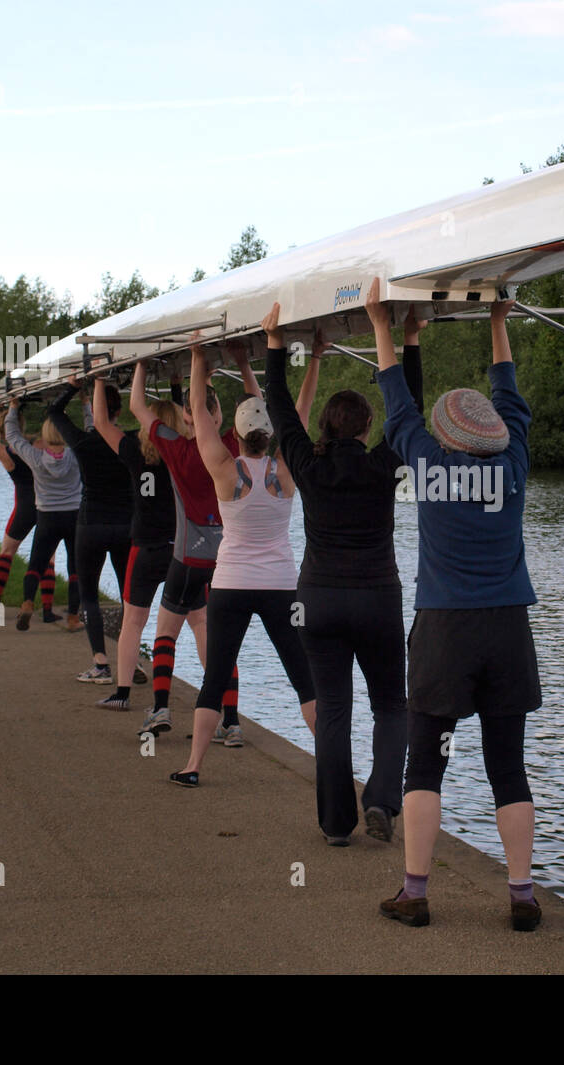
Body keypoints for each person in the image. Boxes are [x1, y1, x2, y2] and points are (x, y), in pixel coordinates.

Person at [367, 279, 543, 932]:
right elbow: (510, 395)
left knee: (424, 763)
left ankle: (415, 892)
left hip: (442, 629)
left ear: (446, 435)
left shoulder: (427, 462)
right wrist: (500, 318)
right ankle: (522, 895)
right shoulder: (516, 462)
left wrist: (384, 324)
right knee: (508, 767)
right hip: (507, 628)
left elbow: (396, 402)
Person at [263, 305, 425, 846]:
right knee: (391, 706)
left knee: (333, 710)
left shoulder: (308, 465)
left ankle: (336, 825)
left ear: (326, 427)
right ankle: (381, 798)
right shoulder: (385, 463)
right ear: (369, 427)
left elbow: (281, 410)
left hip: (318, 601)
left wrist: (274, 345)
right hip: (378, 597)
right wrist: (410, 342)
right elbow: (411, 410)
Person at [167, 333, 316, 788]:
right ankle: (333, 761)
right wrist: (315, 364)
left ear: (238, 431)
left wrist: (198, 361)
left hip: (230, 584)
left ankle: (193, 767)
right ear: (274, 434)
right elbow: (298, 414)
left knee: (215, 676)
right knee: (303, 679)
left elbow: (198, 415)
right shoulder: (287, 469)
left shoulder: (225, 468)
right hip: (280, 585)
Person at [129, 347, 244, 743]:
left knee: (165, 634)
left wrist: (142, 365)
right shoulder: (232, 444)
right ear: (220, 416)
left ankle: (160, 708)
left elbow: (136, 406)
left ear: (186, 416)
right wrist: (241, 364)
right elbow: (257, 405)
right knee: (220, 643)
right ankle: (232, 722)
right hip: (223, 561)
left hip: (185, 557)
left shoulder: (175, 447)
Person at [91, 370, 185, 710]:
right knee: (200, 622)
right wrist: (179, 385)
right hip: (182, 551)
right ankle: (223, 704)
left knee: (133, 621)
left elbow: (101, 422)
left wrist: (100, 381)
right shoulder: (186, 454)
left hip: (144, 547)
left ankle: (123, 693)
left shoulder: (134, 451)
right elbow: (187, 417)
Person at [47, 379, 135, 685]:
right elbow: (166, 422)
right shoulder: (130, 442)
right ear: (119, 410)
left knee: (89, 596)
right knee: (130, 599)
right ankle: (129, 657)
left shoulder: (82, 443)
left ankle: (101, 664)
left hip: (91, 525)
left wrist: (73, 386)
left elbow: (54, 411)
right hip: (126, 526)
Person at [5, 399, 83, 632]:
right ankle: (72, 617)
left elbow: (12, 437)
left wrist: (13, 408)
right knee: (75, 567)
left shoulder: (35, 457)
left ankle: (28, 602)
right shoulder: (77, 452)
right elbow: (92, 430)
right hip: (74, 516)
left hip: (47, 517)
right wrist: (87, 405)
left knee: (36, 563)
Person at [0, 405, 55, 608]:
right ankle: (48, 609)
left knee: (7, 552)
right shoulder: (35, 447)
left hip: (24, 508)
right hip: (45, 506)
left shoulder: (6, 454)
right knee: (48, 557)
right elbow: (51, 436)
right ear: (21, 423)